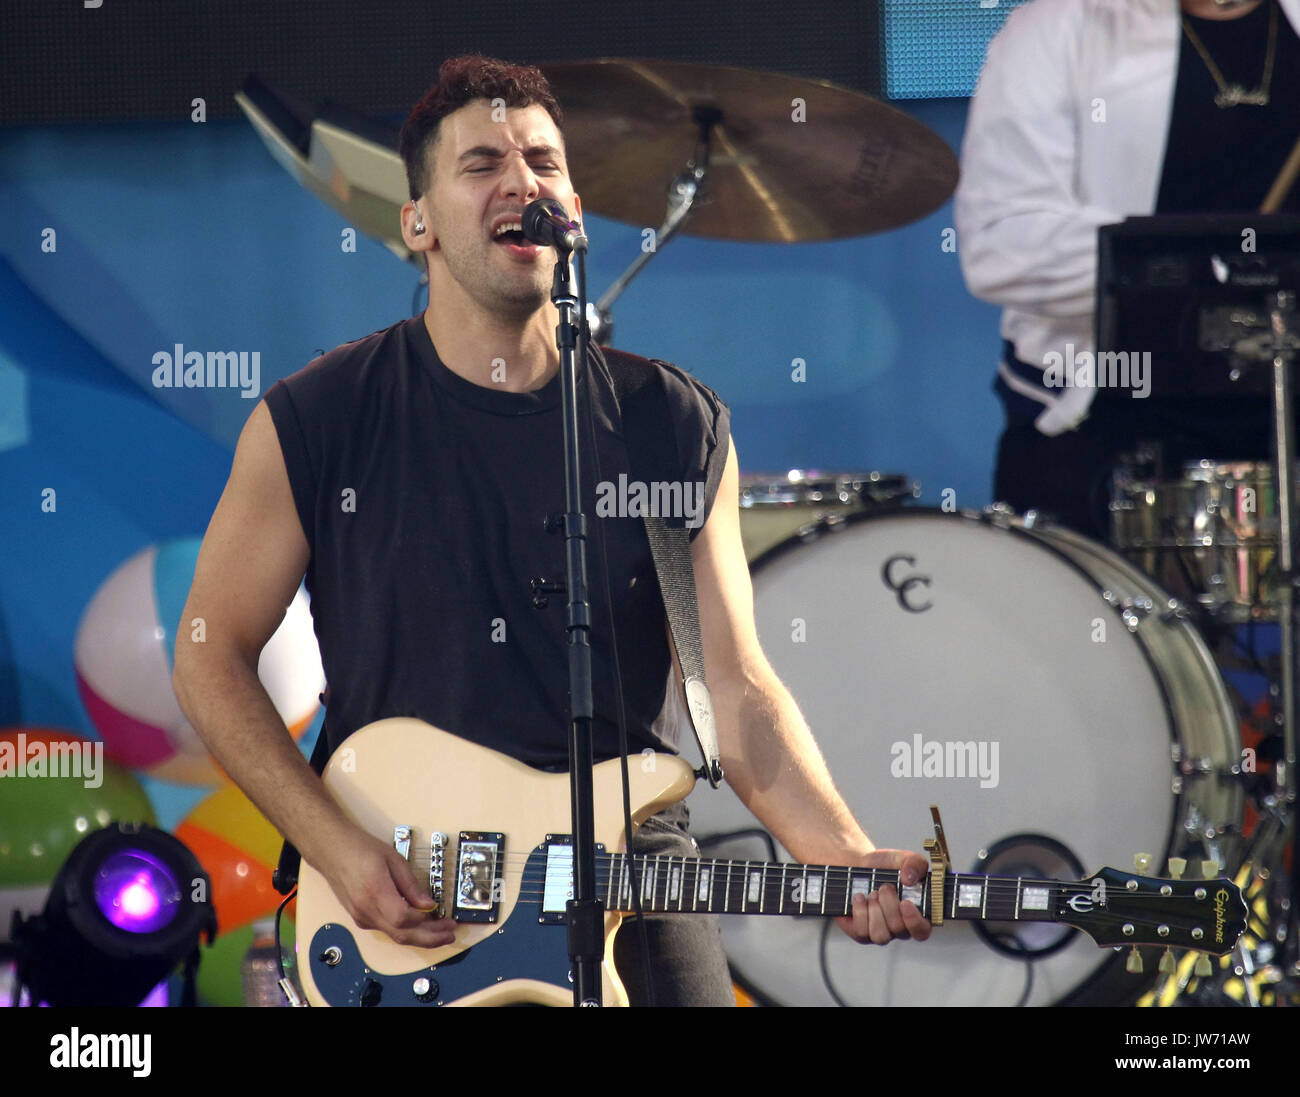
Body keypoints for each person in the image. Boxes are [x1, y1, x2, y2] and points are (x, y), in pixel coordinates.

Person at [171, 55, 931, 1007]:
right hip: (412, 889)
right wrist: (338, 849)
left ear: (572, 206)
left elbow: (733, 685)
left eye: (542, 161)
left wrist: (845, 853)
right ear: (417, 222)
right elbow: (209, 655)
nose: (522, 181)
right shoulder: (318, 420)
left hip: (629, 863)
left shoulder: (671, 422)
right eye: (482, 163)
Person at [956, 0, 1300, 542]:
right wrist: (1210, 269)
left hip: (1282, 403)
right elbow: (1003, 246)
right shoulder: (1057, 28)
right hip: (1107, 407)